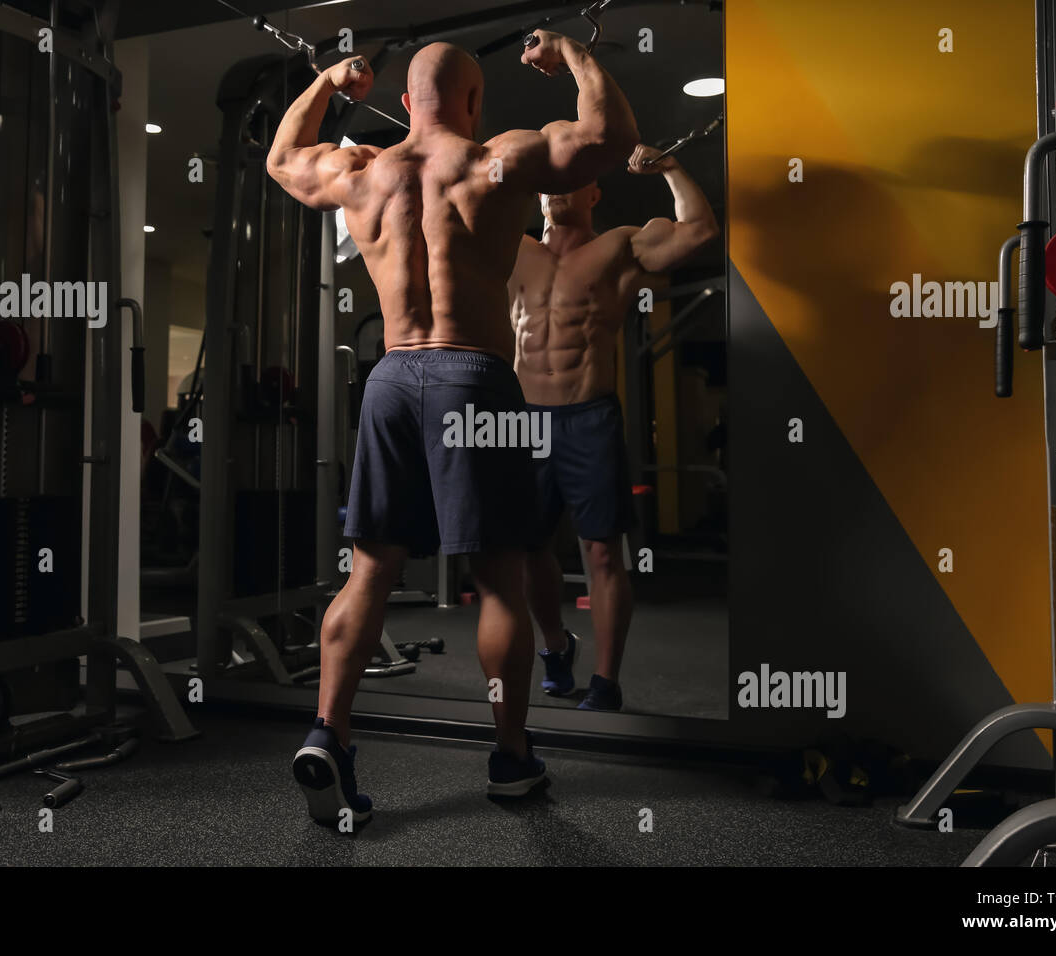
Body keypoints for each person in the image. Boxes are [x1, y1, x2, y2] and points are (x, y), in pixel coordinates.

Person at [266, 33, 638, 826]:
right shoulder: (496, 159)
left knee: (369, 571)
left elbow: (282, 159)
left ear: (404, 103)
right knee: (501, 575)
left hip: (392, 377)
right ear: (474, 102)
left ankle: (328, 732)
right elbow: (611, 137)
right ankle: (510, 757)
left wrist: (331, 82)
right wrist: (570, 56)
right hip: (475, 373)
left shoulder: (362, 167)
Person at [508, 144, 719, 711]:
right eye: (548, 183)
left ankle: (605, 681)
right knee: (528, 549)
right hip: (523, 420)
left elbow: (699, 231)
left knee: (602, 552)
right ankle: (556, 644)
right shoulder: (513, 248)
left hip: (588, 415)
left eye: (571, 181)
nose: (556, 191)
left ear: (593, 193)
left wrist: (670, 167)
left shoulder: (622, 244)